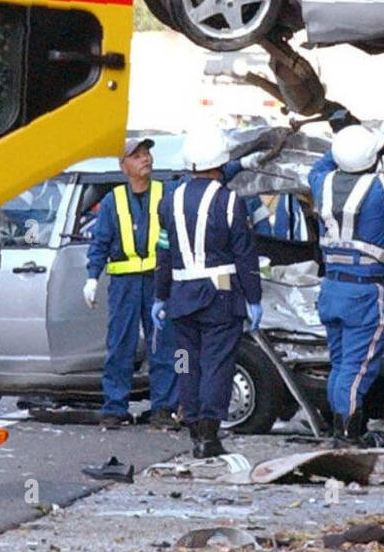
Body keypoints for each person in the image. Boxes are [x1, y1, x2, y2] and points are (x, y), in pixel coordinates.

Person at [308, 123, 384, 445]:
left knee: (340, 364)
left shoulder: (321, 183)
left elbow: (322, 164)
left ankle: (342, 428)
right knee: (357, 367)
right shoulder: (380, 191)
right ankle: (348, 433)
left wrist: (342, 139)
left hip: (331, 289)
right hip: (363, 292)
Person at [151, 127, 262, 459]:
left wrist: (161, 295)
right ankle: (210, 436)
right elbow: (245, 254)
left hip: (181, 297)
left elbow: (164, 252)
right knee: (216, 363)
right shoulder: (229, 202)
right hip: (220, 297)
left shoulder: (169, 201)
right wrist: (254, 298)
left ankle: (194, 428)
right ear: (220, 163)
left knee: (186, 362)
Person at [85, 137, 178, 429]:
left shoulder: (166, 193)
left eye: (147, 153)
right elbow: (100, 242)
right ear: (123, 166)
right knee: (119, 345)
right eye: (137, 156)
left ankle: (164, 408)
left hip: (158, 281)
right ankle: (115, 407)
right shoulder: (114, 201)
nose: (146, 159)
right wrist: (91, 276)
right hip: (124, 282)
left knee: (164, 344)